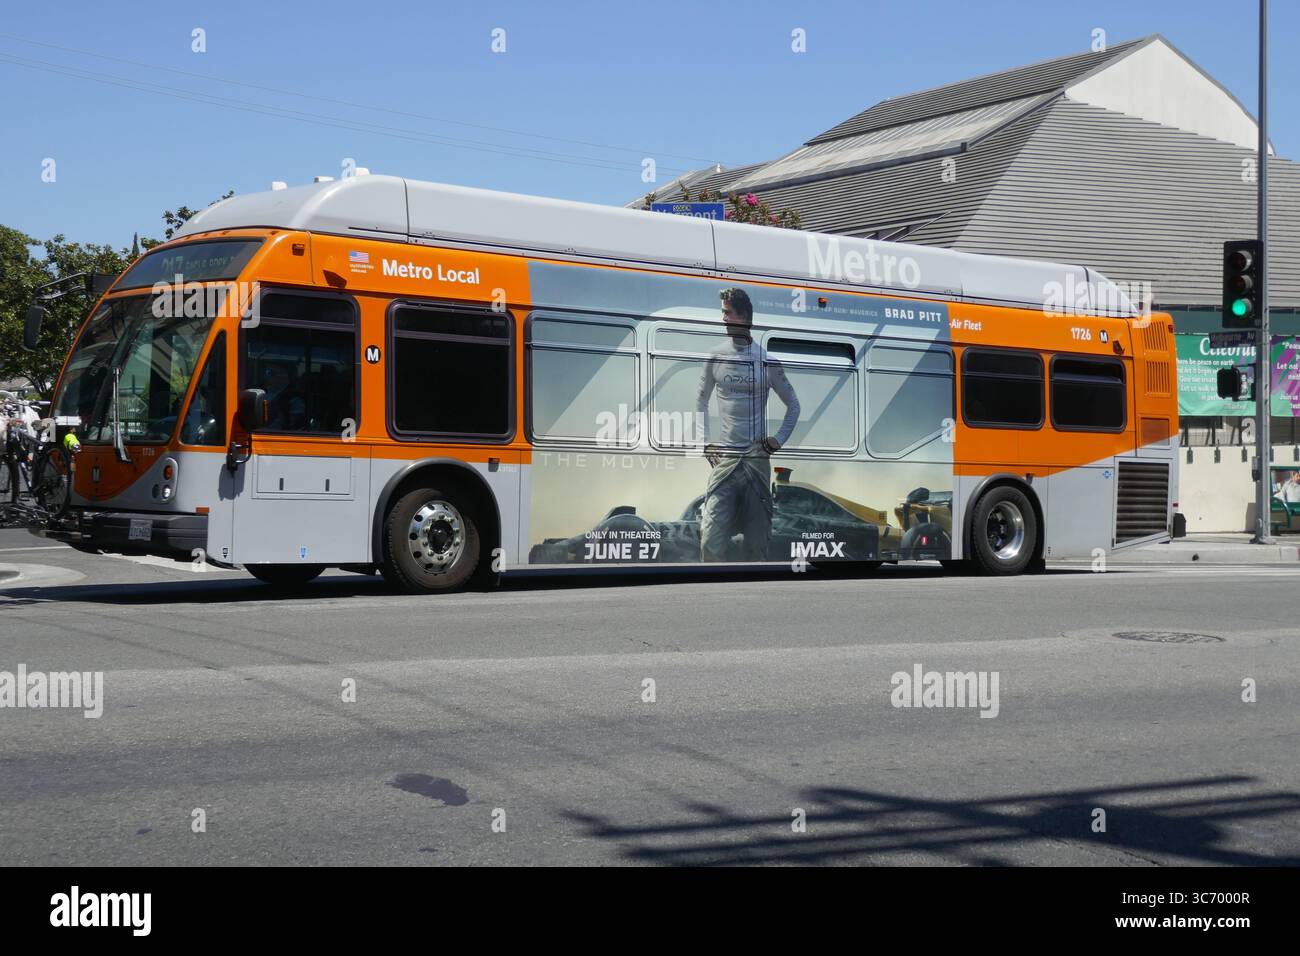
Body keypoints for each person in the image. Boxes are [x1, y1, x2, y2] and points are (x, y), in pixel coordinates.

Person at [695, 287, 800, 561]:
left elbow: (794, 405)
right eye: (723, 313)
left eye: (728, 313)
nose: (724, 319)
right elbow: (700, 403)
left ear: (743, 316)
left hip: (756, 461)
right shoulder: (715, 357)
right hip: (726, 461)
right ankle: (713, 595)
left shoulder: (767, 361)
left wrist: (777, 440)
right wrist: (705, 443)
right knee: (710, 541)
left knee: (757, 546)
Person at [263, 363, 307, 430]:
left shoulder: (295, 400)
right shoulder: (262, 391)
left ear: (285, 375)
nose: (266, 376)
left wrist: (264, 430)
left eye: (270, 372)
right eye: (266, 372)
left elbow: (286, 424)